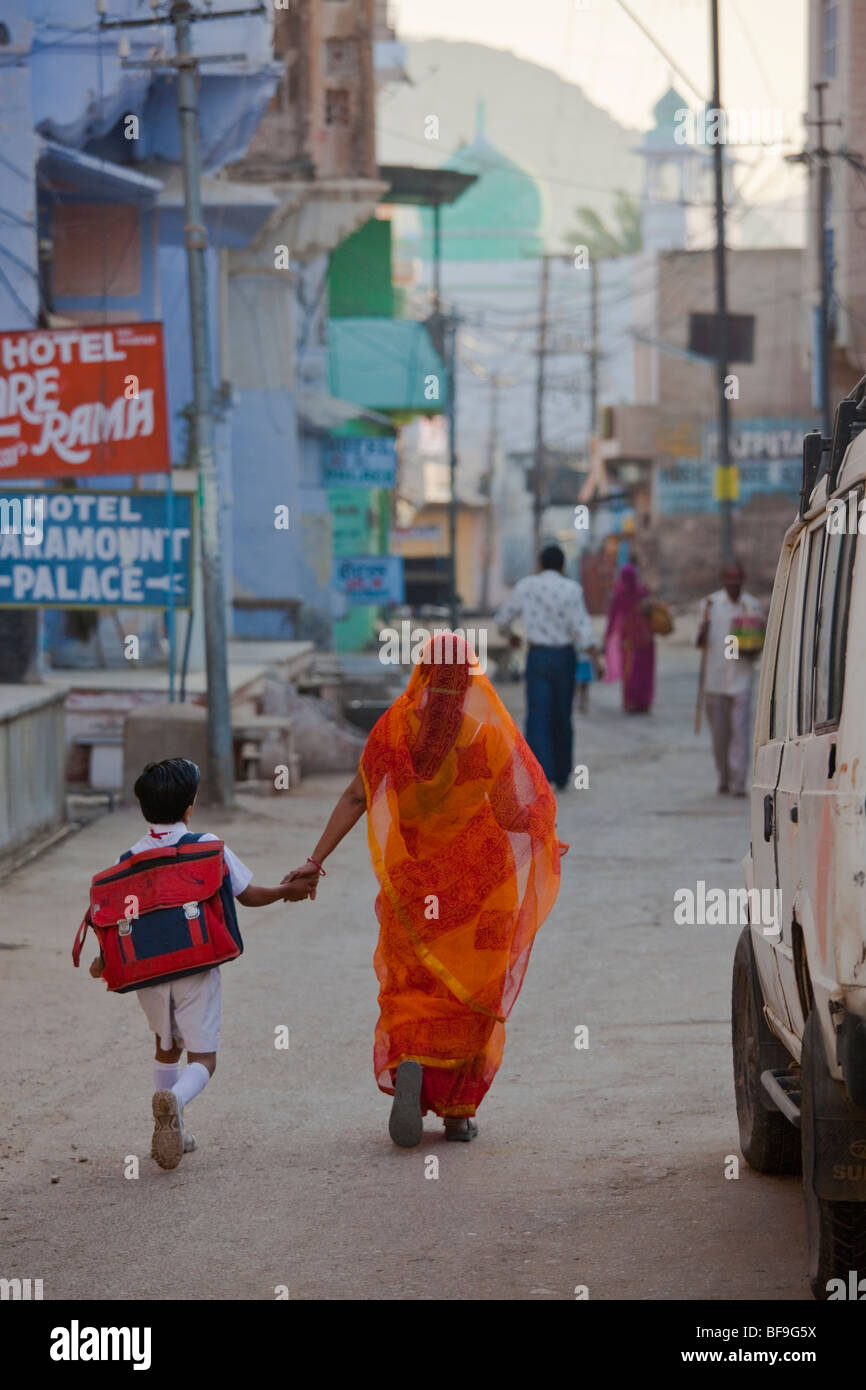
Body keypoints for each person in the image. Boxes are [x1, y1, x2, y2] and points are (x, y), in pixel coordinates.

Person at [282, 633, 567, 1146]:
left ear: (424, 673)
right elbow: (512, 814)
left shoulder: (393, 731)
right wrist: (543, 836)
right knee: (472, 993)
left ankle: (411, 1058)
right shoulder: (486, 737)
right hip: (479, 890)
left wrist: (314, 860)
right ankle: (457, 1111)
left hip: (413, 893)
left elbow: (355, 798)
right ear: (470, 678)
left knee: (412, 986)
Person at [88, 758, 318, 1170]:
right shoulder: (207, 845)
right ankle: (174, 1103)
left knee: (165, 1045)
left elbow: (121, 923)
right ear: (189, 807)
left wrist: (102, 961)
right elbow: (247, 895)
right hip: (196, 966)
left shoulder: (130, 858)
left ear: (144, 807)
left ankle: (177, 1125)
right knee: (203, 1058)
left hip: (150, 975)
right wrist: (288, 890)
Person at [494, 544, 599, 790]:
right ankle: (562, 773)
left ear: (540, 564)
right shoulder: (572, 589)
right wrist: (596, 658)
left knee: (538, 715)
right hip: (564, 657)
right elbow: (582, 629)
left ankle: (538, 775)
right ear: (563, 566)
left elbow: (502, 619)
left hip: (538, 657)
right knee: (562, 714)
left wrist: (510, 635)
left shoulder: (527, 586)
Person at [696, 562, 764, 796]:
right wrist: (704, 628)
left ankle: (738, 782)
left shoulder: (752, 605)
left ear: (743, 579)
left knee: (740, 732)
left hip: (741, 677)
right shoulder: (709, 605)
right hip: (714, 680)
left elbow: (759, 644)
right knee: (719, 736)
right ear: (723, 579)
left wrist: (753, 645)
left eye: (737, 578)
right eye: (730, 578)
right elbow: (699, 642)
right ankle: (723, 776)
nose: (734, 582)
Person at [603, 562, 656, 714]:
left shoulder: (620, 593)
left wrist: (607, 637)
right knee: (644, 671)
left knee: (630, 672)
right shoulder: (643, 591)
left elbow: (613, 618)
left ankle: (631, 702)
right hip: (646, 639)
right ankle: (643, 702)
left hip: (629, 640)